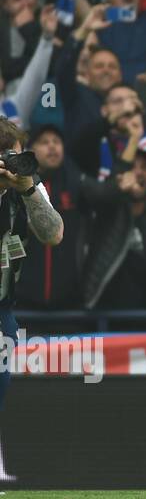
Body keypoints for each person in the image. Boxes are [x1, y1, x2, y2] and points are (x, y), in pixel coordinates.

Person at [0, 116, 66, 418]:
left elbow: (53, 234)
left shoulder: (28, 186)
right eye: (7, 157)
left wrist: (27, 190)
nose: (14, 163)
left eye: (18, 154)